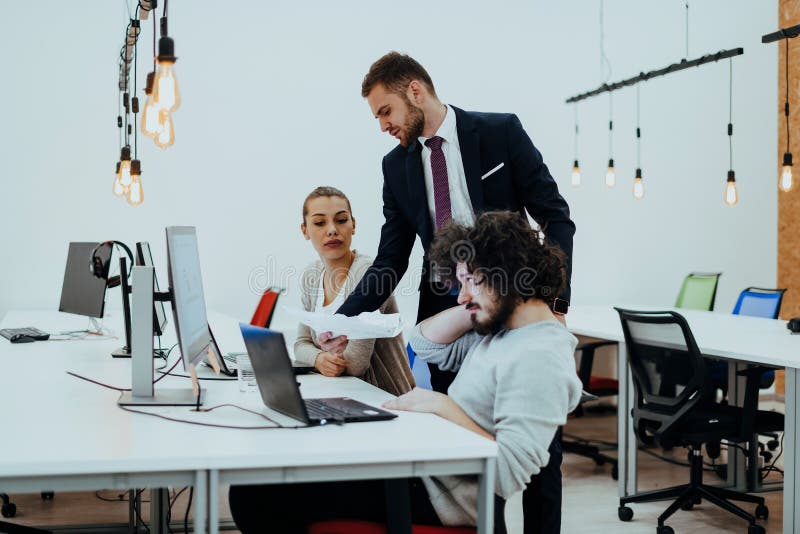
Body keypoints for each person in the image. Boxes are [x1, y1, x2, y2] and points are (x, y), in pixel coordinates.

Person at [321, 51, 576, 532]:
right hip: (448, 311)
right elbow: (391, 260)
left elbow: (555, 215)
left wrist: (554, 302)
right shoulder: (395, 167)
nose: (382, 125)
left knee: (538, 454)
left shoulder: (500, 132)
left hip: (515, 304)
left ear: (414, 91)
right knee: (462, 446)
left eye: (385, 111)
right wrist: (343, 319)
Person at [228, 211, 582, 533]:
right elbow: (425, 344)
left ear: (504, 273)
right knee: (258, 487)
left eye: (469, 282)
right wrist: (475, 302)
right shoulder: (502, 332)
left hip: (437, 498)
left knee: (257, 496)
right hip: (423, 469)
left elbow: (505, 470)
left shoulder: (541, 355)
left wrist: (443, 406)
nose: (460, 297)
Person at [293, 186, 414, 396]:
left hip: (383, 396)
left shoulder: (370, 274)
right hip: (337, 394)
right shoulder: (311, 275)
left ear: (353, 225)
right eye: (320, 223)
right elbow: (300, 344)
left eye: (341, 220)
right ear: (305, 230)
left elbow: (356, 363)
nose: (332, 230)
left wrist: (318, 357)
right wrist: (319, 359)